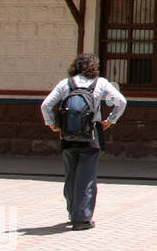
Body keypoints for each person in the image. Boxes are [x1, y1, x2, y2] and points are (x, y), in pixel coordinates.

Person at [41, 53, 127, 230]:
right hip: (91, 135)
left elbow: (45, 105)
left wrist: (52, 124)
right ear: (94, 67)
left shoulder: (65, 84)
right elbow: (121, 101)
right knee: (86, 177)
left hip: (67, 135)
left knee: (70, 175)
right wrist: (110, 121)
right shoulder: (100, 83)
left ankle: (72, 212)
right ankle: (82, 218)